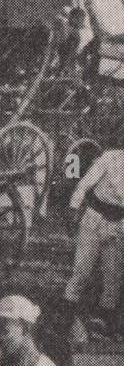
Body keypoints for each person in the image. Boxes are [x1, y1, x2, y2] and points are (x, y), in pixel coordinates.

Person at [65, 142, 124, 341]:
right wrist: (74, 207)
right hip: (94, 218)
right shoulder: (110, 157)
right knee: (81, 272)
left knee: (113, 280)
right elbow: (85, 183)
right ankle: (64, 320)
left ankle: (102, 328)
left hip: (119, 226)